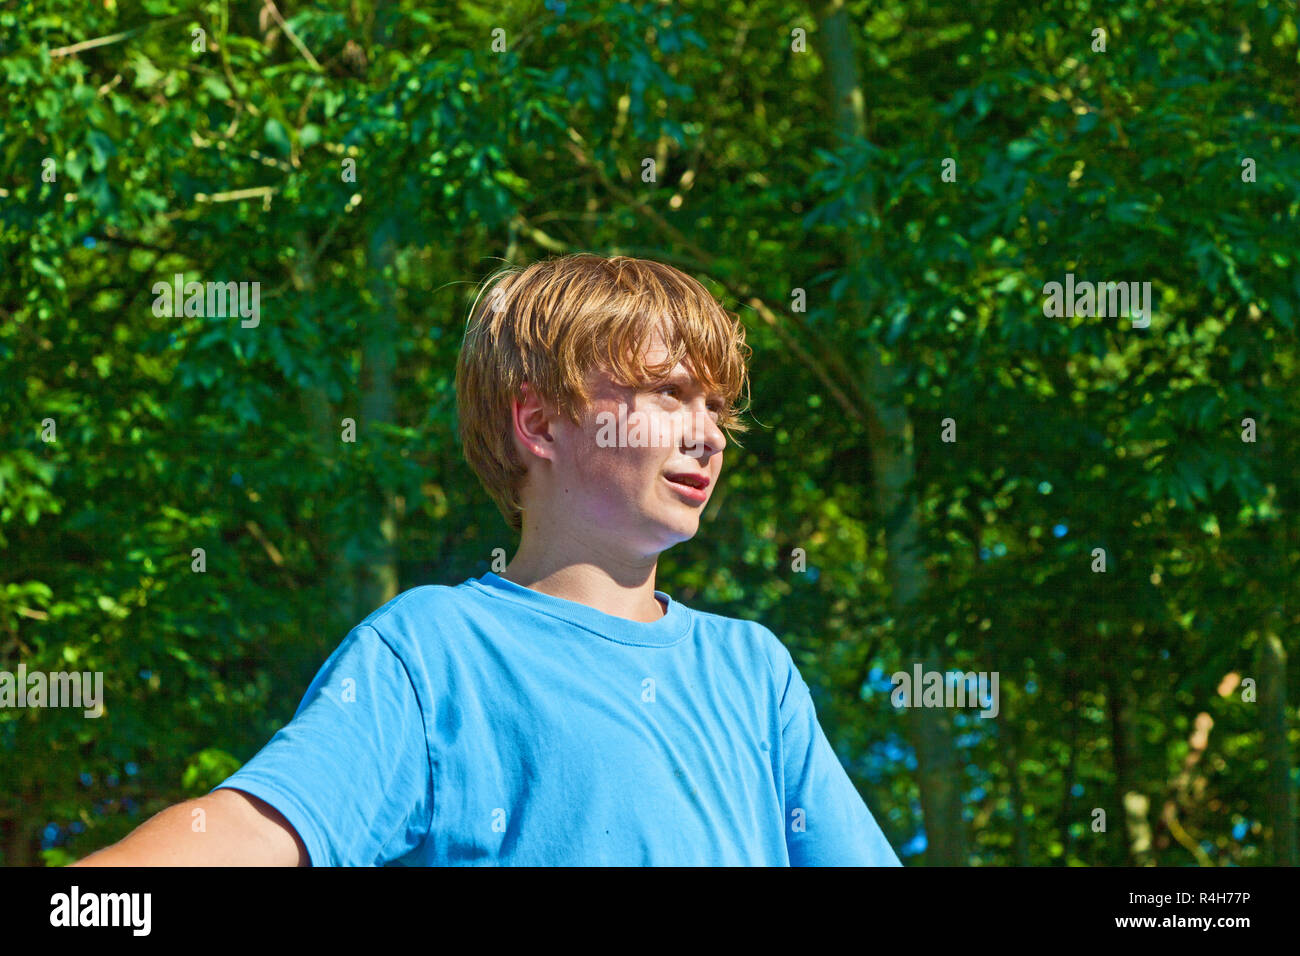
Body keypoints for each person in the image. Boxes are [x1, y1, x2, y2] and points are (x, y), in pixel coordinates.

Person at [74, 253, 901, 866]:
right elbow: (259, 829)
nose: (710, 433)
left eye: (715, 406)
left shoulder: (753, 671)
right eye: (669, 394)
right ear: (538, 425)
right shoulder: (435, 649)